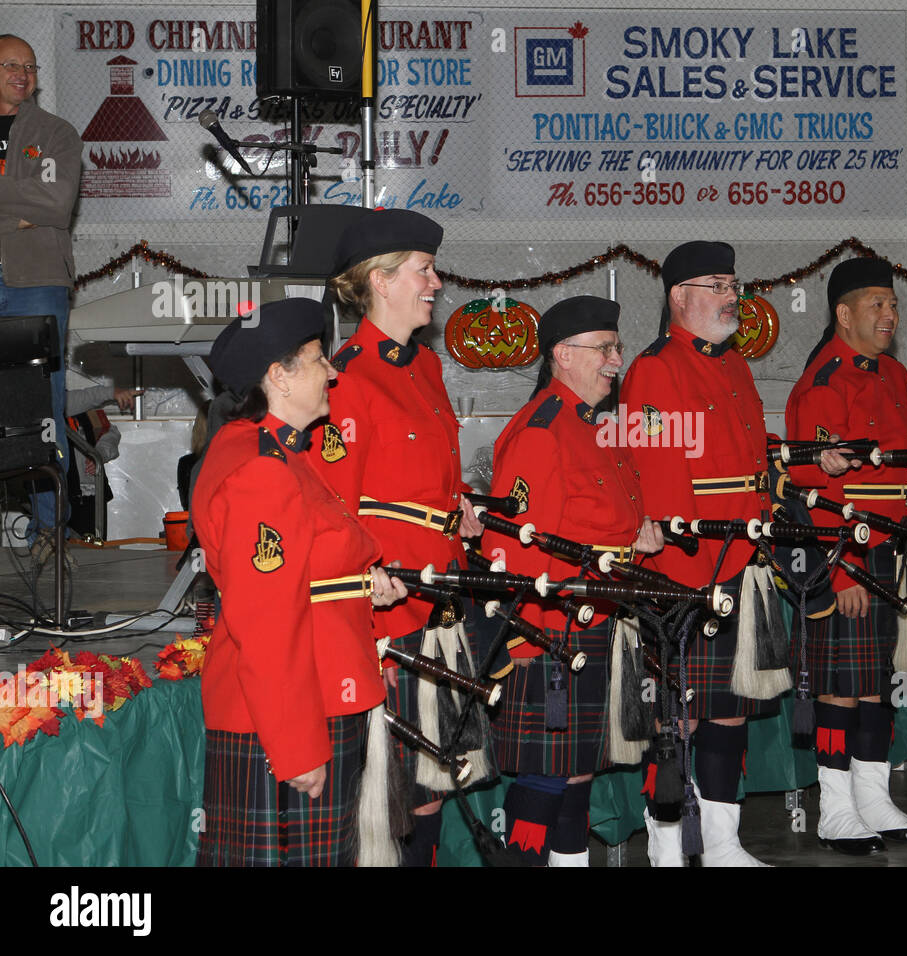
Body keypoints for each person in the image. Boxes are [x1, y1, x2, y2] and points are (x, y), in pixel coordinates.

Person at [191, 298, 406, 866]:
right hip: (289, 717)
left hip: (314, 694)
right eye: (318, 360)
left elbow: (309, 573)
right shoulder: (261, 469)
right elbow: (264, 621)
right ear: (278, 376)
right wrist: (297, 746)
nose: (334, 372)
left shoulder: (281, 453)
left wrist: (361, 581)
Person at [317, 208, 486, 867]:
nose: (437, 282)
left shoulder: (427, 369)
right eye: (425, 269)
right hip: (389, 606)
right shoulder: (347, 376)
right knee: (391, 791)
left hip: (441, 594)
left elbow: (418, 484)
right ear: (381, 281)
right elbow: (335, 506)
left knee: (434, 782)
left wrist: (457, 507)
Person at [483, 295, 663, 866]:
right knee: (548, 770)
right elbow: (511, 546)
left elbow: (595, 523)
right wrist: (524, 640)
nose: (616, 359)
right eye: (604, 348)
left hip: (602, 617)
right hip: (555, 629)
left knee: (578, 764)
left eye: (617, 347)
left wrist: (636, 536)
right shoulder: (542, 430)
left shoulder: (595, 424)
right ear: (563, 354)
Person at [621, 240, 782, 866]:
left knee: (729, 707)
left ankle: (721, 845)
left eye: (734, 283)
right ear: (679, 296)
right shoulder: (655, 368)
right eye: (717, 284)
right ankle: (666, 847)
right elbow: (657, 477)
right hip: (688, 566)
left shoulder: (736, 364)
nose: (731, 295)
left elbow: (750, 464)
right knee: (677, 717)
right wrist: (680, 563)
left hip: (742, 558)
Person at [784, 257, 907, 853]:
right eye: (876, 303)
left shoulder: (893, 375)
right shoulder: (823, 383)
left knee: (875, 680)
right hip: (850, 551)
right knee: (840, 683)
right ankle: (835, 807)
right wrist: (841, 565)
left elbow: (906, 448)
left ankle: (873, 797)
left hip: (892, 548)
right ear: (842, 314)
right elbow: (815, 485)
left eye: (893, 303)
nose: (889, 313)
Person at [0, 35, 83, 554]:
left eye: (29, 66)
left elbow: (55, 202)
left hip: (37, 282)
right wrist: (18, 202)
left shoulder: (55, 132)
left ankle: (52, 526)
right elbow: (32, 203)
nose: (22, 73)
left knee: (42, 403)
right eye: (10, 64)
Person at [61, 384, 142, 542]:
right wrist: (112, 392)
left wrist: (99, 454)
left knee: (95, 551)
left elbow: (111, 433)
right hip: (63, 497)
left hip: (94, 496)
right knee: (67, 552)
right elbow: (85, 397)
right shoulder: (52, 406)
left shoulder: (90, 411)